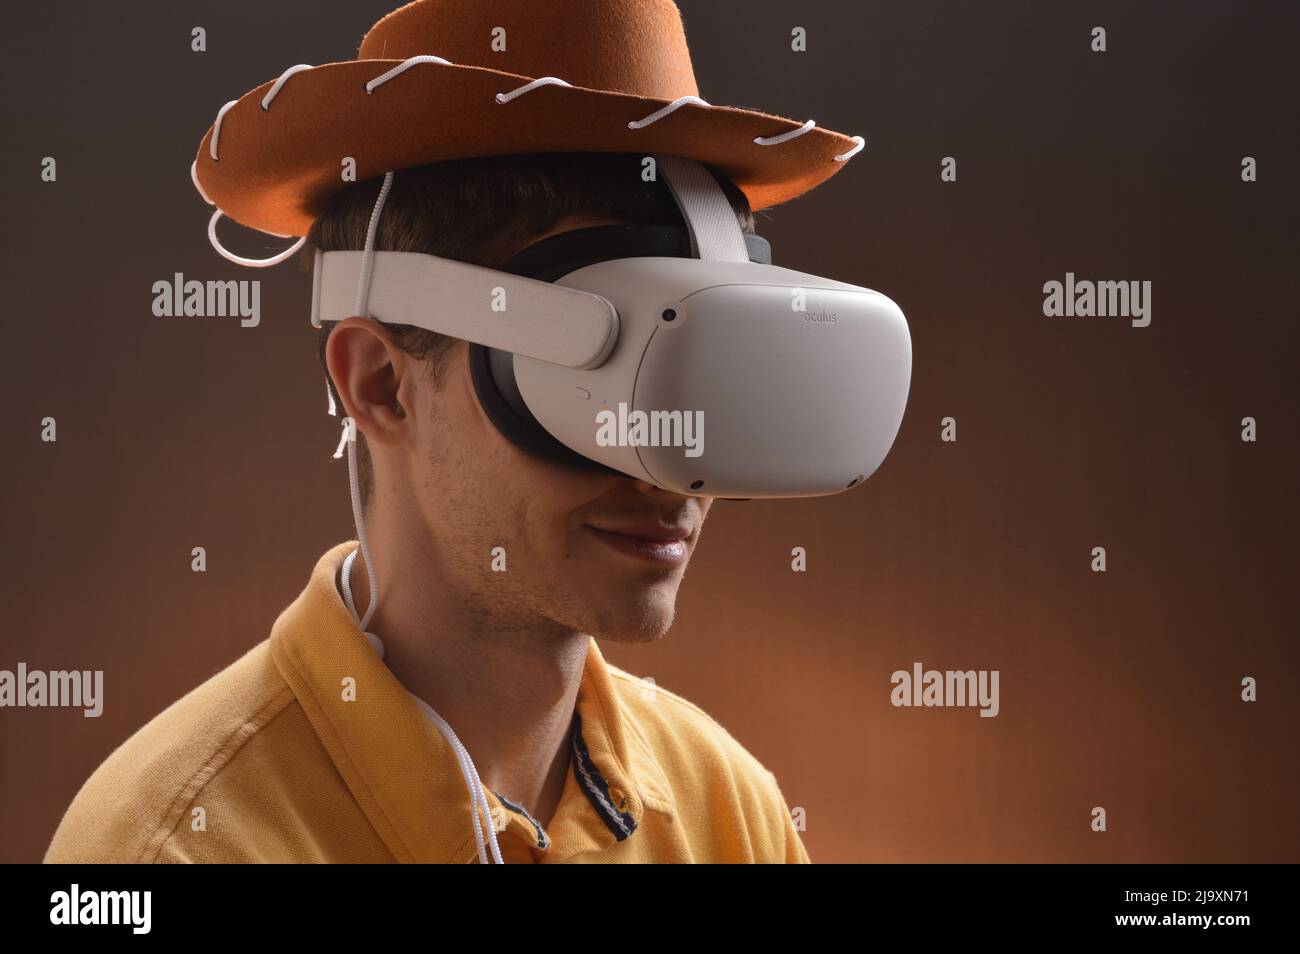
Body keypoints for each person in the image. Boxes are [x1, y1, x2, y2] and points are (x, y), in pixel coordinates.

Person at [45, 0, 869, 863]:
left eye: (697, 378)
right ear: (381, 387)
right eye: (592, 379)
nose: (667, 474)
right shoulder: (167, 850)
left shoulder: (729, 816)